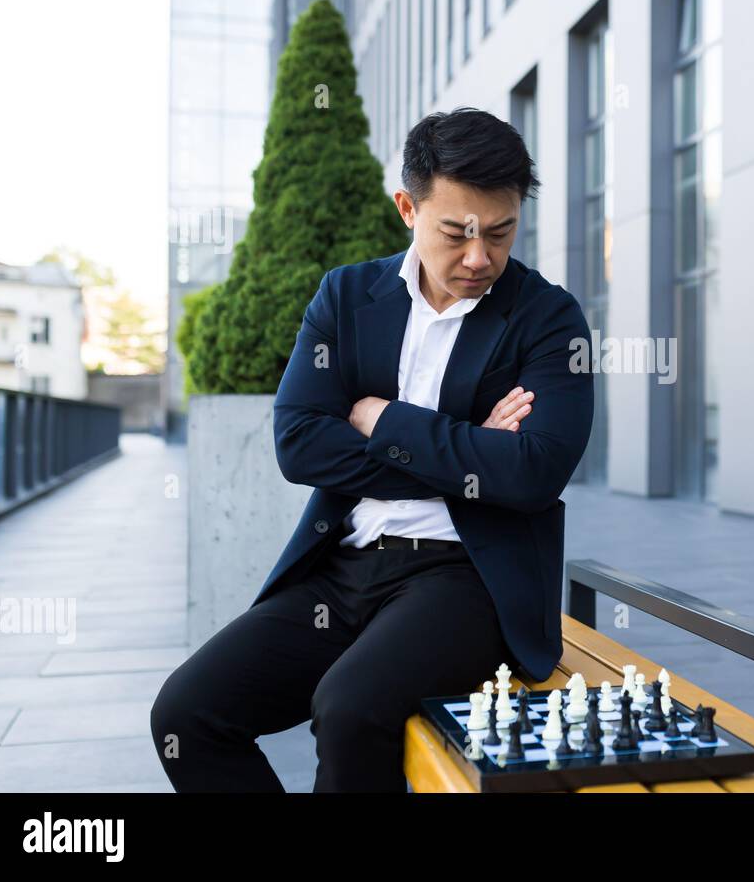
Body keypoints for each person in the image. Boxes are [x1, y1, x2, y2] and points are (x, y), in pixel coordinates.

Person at [151, 107, 594, 791]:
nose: (480, 259)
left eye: (500, 234)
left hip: (466, 578)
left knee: (351, 709)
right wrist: (473, 454)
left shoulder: (548, 316)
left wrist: (382, 419)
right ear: (406, 208)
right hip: (341, 567)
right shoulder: (347, 296)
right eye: (457, 233)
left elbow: (533, 474)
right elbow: (299, 444)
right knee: (185, 716)